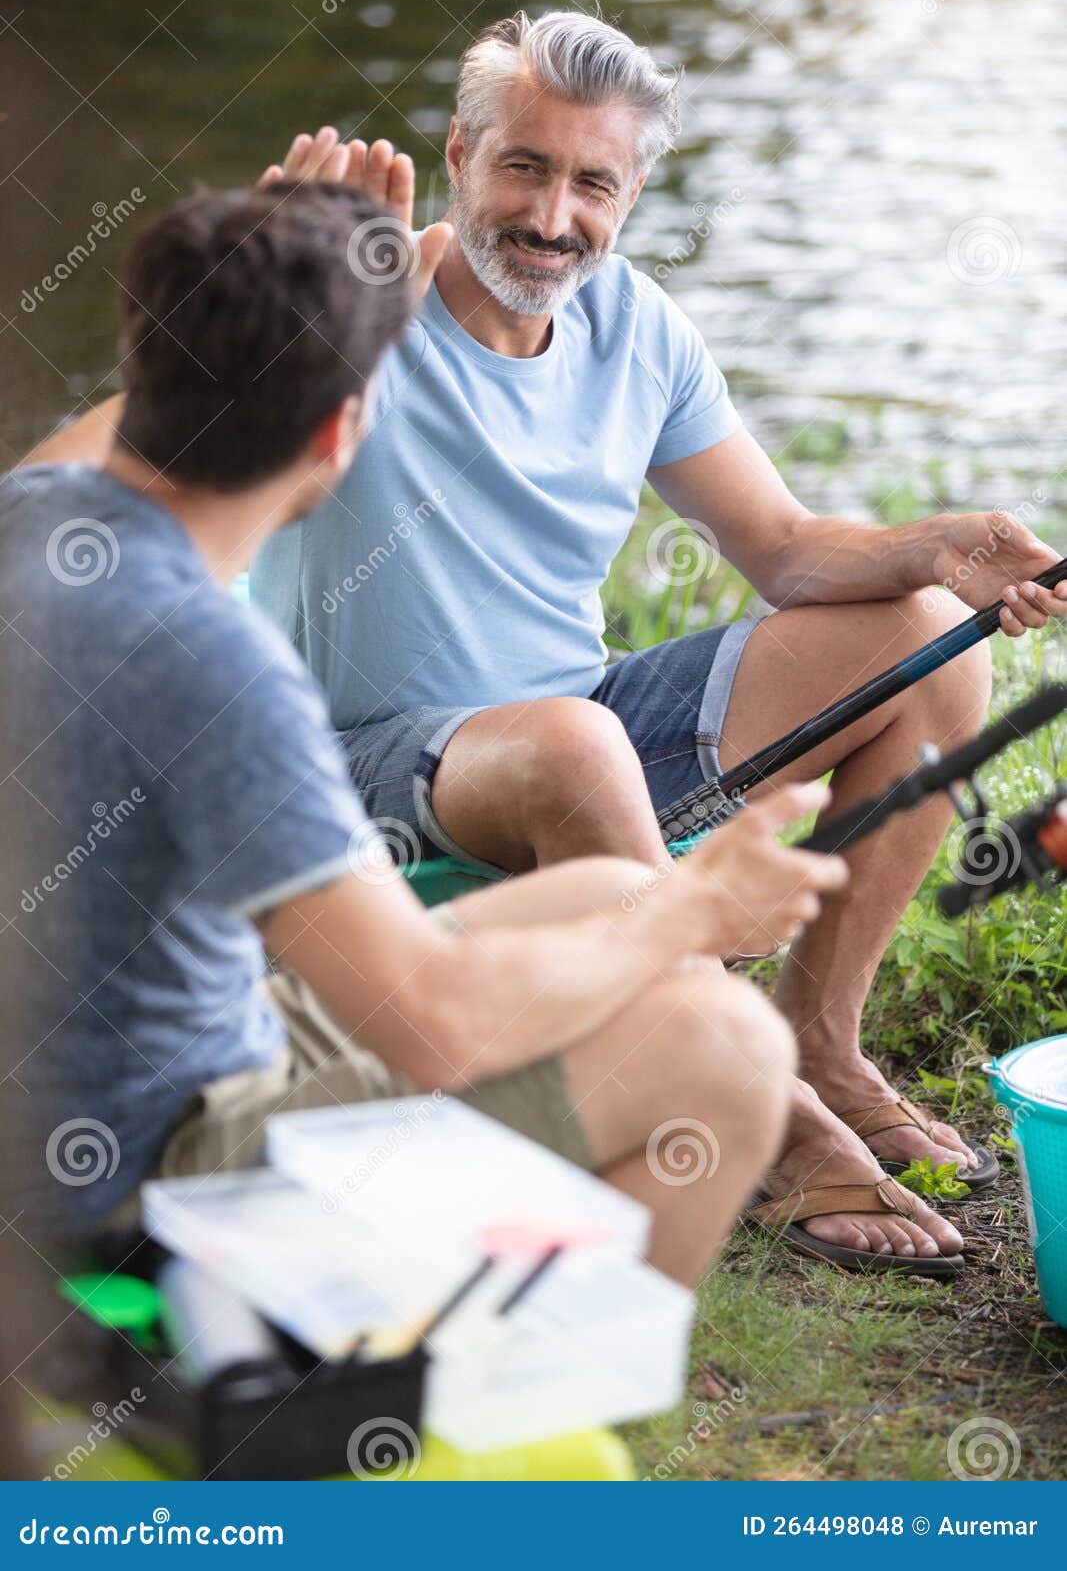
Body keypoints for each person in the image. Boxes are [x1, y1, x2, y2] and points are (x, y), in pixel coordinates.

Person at [238, 10, 1066, 1269]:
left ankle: (817, 1045)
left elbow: (782, 545)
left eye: (592, 182)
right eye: (523, 166)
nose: (552, 216)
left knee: (933, 634)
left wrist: (936, 548)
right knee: (574, 745)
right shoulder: (363, 302)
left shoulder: (637, 327)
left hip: (574, 732)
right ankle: (771, 1125)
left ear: (628, 193)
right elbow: (213, 453)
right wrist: (282, 298)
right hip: (363, 768)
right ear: (459, 156)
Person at [2, 177, 851, 1288]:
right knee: (726, 1044)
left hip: (147, 1047)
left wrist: (276, 261)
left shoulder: (37, 517)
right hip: (140, 1174)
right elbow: (435, 1031)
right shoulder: (219, 669)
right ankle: (463, 1403)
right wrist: (699, 906)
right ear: (343, 429)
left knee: (608, 897)